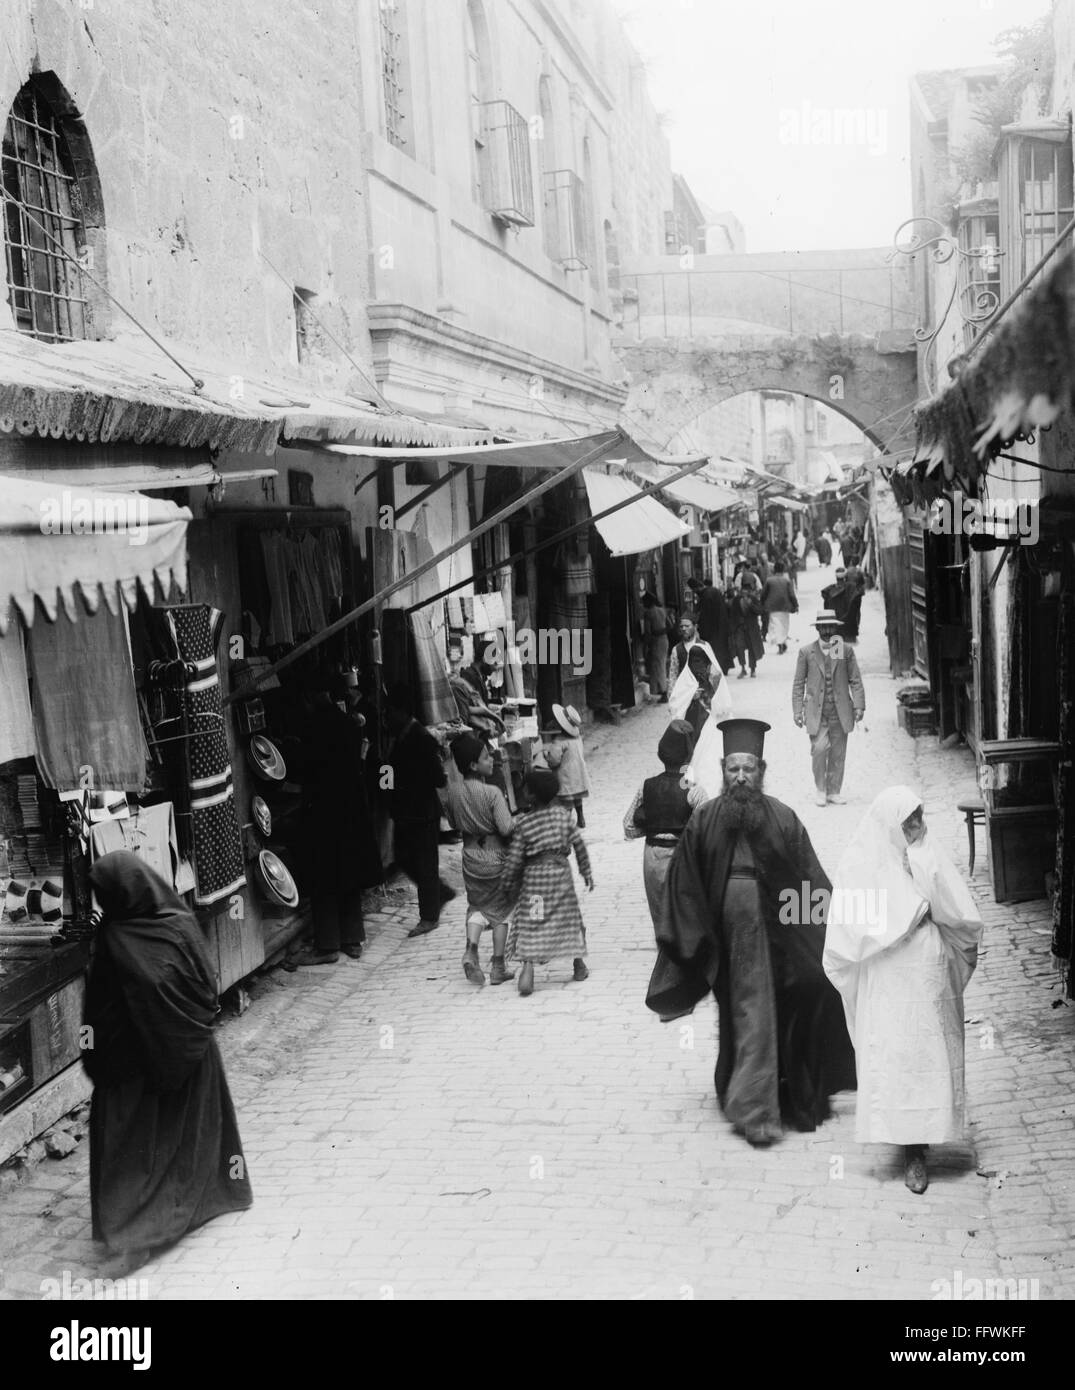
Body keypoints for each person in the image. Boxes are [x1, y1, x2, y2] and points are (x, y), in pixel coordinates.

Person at [645, 719, 856, 1146]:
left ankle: (771, 1099)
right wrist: (695, 936)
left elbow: (809, 879)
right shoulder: (704, 820)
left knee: (790, 1001)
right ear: (722, 769)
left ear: (763, 770)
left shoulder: (782, 817)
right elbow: (683, 885)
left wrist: (826, 931)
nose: (741, 777)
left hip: (780, 937)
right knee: (745, 1014)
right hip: (728, 940)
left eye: (750, 768)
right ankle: (752, 1104)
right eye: (733, 769)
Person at [83, 852, 253, 1257]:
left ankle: (137, 1225)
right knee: (189, 1132)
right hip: (190, 1053)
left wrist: (100, 1056)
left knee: (136, 1143)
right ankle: (200, 1198)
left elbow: (102, 1007)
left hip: (136, 1063)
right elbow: (204, 986)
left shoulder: (115, 937)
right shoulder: (179, 920)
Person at [823, 788, 983, 1194]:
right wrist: (900, 918)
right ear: (890, 824)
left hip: (926, 972)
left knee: (928, 1054)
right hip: (887, 975)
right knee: (896, 1058)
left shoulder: (925, 852)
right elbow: (850, 929)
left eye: (921, 817)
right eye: (909, 821)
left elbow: (951, 907)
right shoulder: (859, 862)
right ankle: (908, 1146)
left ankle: (923, 1141)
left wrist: (922, 863)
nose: (918, 827)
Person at [290, 686, 383, 967]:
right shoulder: (346, 722)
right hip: (350, 810)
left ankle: (327, 944)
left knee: (324, 880)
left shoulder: (313, 725)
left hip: (324, 812)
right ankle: (353, 939)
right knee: (348, 875)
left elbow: (305, 769)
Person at [504, 767, 593, 997]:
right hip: (560, 880)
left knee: (533, 921)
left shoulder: (524, 824)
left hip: (535, 884)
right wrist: (586, 871)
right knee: (569, 918)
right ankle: (578, 964)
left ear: (531, 795)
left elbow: (515, 857)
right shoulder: (563, 816)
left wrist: (507, 882)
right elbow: (579, 845)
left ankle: (528, 967)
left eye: (525, 789)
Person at [445, 732, 517, 987]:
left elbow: (453, 823)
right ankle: (498, 966)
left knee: (476, 906)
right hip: (496, 857)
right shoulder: (492, 793)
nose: (491, 760)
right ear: (474, 765)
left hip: (470, 857)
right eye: (486, 757)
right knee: (502, 912)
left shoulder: (453, 793)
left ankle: (471, 950)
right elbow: (506, 828)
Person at [385, 682, 454, 937]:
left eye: (391, 712)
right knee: (403, 858)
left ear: (402, 712)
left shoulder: (422, 739)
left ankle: (429, 916)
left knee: (425, 864)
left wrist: (409, 782)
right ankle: (441, 892)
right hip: (404, 812)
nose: (388, 718)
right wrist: (386, 788)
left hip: (423, 813)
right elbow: (388, 770)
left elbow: (438, 778)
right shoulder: (397, 737)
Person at [623, 720, 706, 926]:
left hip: (652, 857)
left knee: (660, 920)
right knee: (685, 922)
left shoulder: (647, 786)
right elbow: (704, 833)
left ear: (661, 752)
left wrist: (654, 826)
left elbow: (629, 828)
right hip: (683, 858)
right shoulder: (695, 791)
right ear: (688, 755)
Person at [792, 610, 865, 808]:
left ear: (835, 628)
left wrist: (859, 706)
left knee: (838, 752)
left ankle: (834, 791)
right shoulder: (807, 652)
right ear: (817, 628)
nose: (826, 631)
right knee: (819, 749)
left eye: (830, 627)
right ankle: (821, 789)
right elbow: (799, 683)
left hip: (840, 711)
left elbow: (855, 679)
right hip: (817, 712)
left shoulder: (843, 650)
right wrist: (797, 711)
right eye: (823, 627)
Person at [542, 702, 591, 827]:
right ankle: (581, 818)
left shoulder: (559, 742)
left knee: (567, 803)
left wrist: (547, 757)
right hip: (579, 775)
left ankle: (568, 826)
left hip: (566, 777)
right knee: (578, 798)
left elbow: (554, 760)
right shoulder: (577, 739)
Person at [447, 642, 505, 736]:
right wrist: (489, 716)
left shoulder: (479, 677)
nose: (495, 668)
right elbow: (466, 708)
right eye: (494, 663)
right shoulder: (469, 677)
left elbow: (479, 703)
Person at [686, 577, 732, 674]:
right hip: (722, 625)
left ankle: (717, 668)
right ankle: (724, 667)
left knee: (714, 648)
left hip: (712, 628)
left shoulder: (706, 596)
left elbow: (706, 616)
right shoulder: (714, 591)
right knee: (722, 647)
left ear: (696, 588)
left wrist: (701, 627)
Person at [729, 570, 764, 679]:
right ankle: (743, 668)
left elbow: (760, 611)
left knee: (752, 649)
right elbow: (732, 614)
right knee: (740, 648)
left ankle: (753, 669)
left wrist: (752, 606)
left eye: (747, 590)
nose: (745, 591)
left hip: (751, 628)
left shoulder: (754, 599)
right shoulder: (736, 600)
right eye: (744, 589)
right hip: (740, 628)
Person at [667, 615, 719, 689]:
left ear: (695, 626)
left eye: (687, 626)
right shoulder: (676, 649)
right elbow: (673, 675)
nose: (684, 629)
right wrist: (672, 696)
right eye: (681, 626)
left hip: (704, 691)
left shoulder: (705, 646)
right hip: (684, 692)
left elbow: (714, 670)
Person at [760, 560, 798, 655]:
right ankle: (782, 642)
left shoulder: (769, 580)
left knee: (775, 626)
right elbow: (791, 595)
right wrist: (796, 605)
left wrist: (762, 604)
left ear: (774, 569)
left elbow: (763, 594)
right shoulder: (787, 581)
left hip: (772, 608)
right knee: (784, 626)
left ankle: (780, 643)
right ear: (783, 569)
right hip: (785, 607)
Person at [640, 592, 671, 702]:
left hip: (656, 641)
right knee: (660, 664)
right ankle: (660, 689)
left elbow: (648, 632)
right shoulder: (662, 610)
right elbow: (670, 626)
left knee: (658, 666)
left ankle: (663, 692)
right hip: (664, 640)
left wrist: (645, 646)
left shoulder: (648, 613)